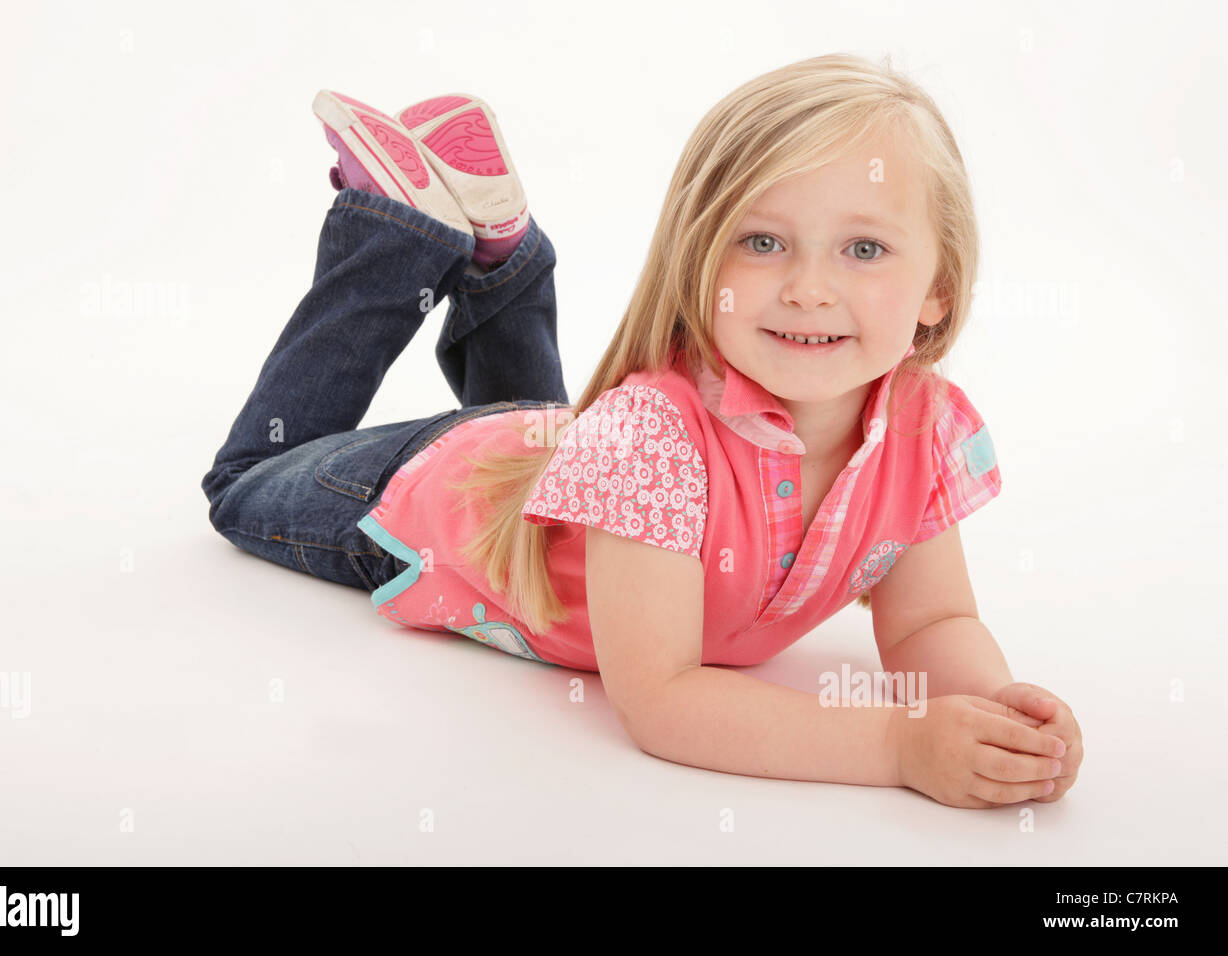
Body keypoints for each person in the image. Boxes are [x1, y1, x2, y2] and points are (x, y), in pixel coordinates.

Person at [200, 54, 1083, 809]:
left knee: (537, 426)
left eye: (864, 250)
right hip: (422, 495)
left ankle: (502, 254)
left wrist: (996, 723)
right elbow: (662, 700)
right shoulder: (650, 443)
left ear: (939, 288)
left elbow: (933, 621)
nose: (810, 288)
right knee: (246, 479)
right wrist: (897, 748)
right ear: (696, 259)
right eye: (764, 242)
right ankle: (398, 232)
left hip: (552, 459)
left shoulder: (920, 428)